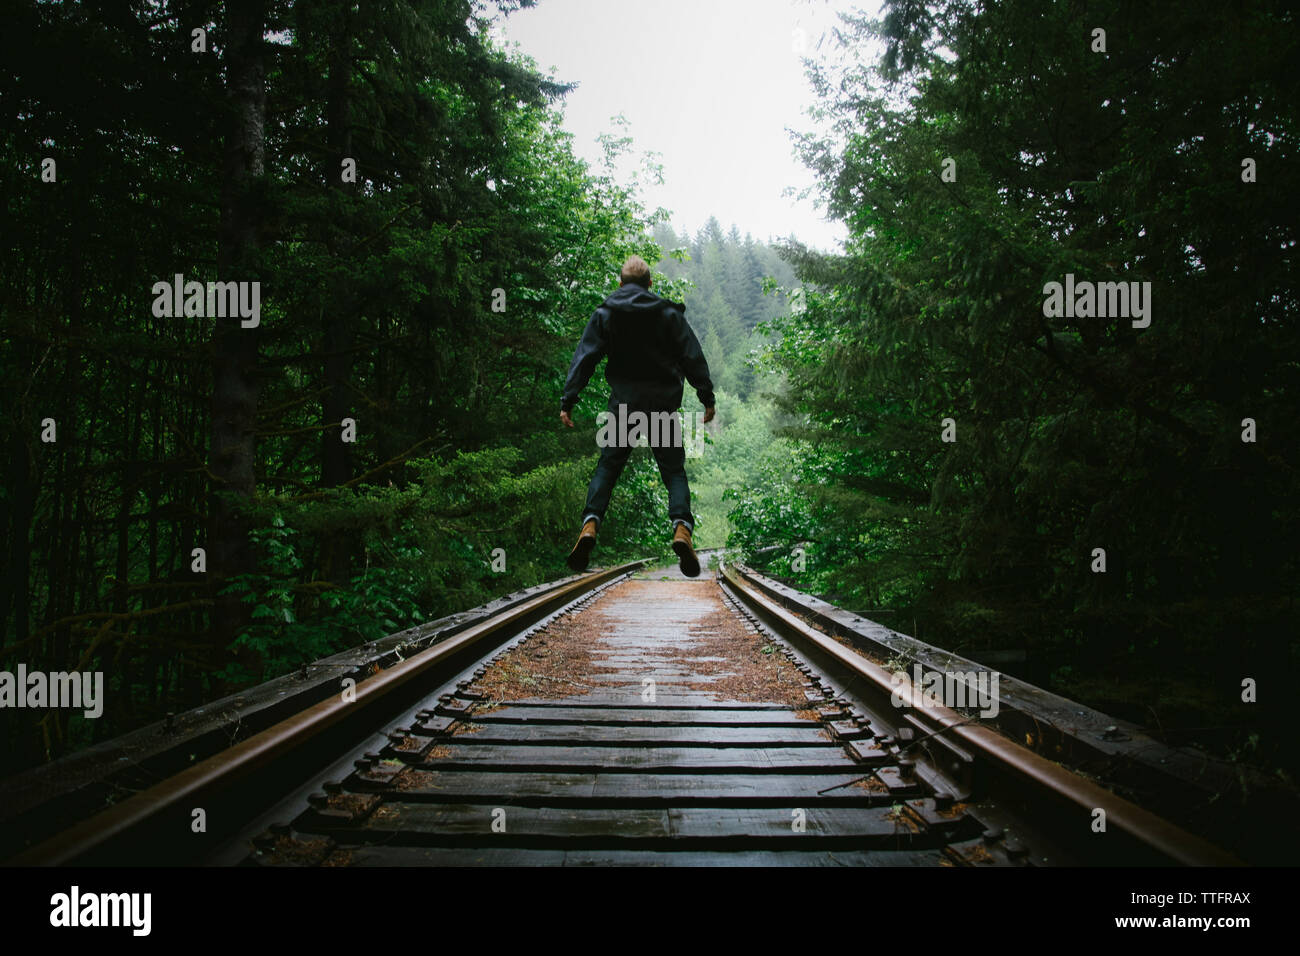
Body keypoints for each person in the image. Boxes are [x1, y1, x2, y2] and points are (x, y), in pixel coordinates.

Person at [560, 254, 716, 576]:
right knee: (673, 472)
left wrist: (568, 399)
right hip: (662, 408)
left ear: (620, 284)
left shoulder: (606, 314)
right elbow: (692, 356)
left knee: (608, 466)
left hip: (623, 408)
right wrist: (706, 397)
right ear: (650, 284)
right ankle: (682, 528)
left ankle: (590, 525)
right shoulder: (669, 314)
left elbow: (585, 357)